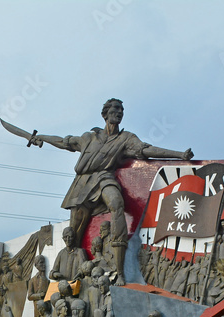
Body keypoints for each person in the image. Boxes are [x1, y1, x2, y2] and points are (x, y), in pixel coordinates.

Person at [30, 99, 194, 286]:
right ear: (105, 114)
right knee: (74, 237)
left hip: (105, 178)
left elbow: (146, 150)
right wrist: (40, 138)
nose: (119, 112)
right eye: (116, 109)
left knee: (117, 204)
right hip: (82, 185)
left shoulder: (126, 139)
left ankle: (120, 271)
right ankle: (73, 280)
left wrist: (179, 154)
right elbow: (63, 141)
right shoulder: (89, 137)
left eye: (122, 109)